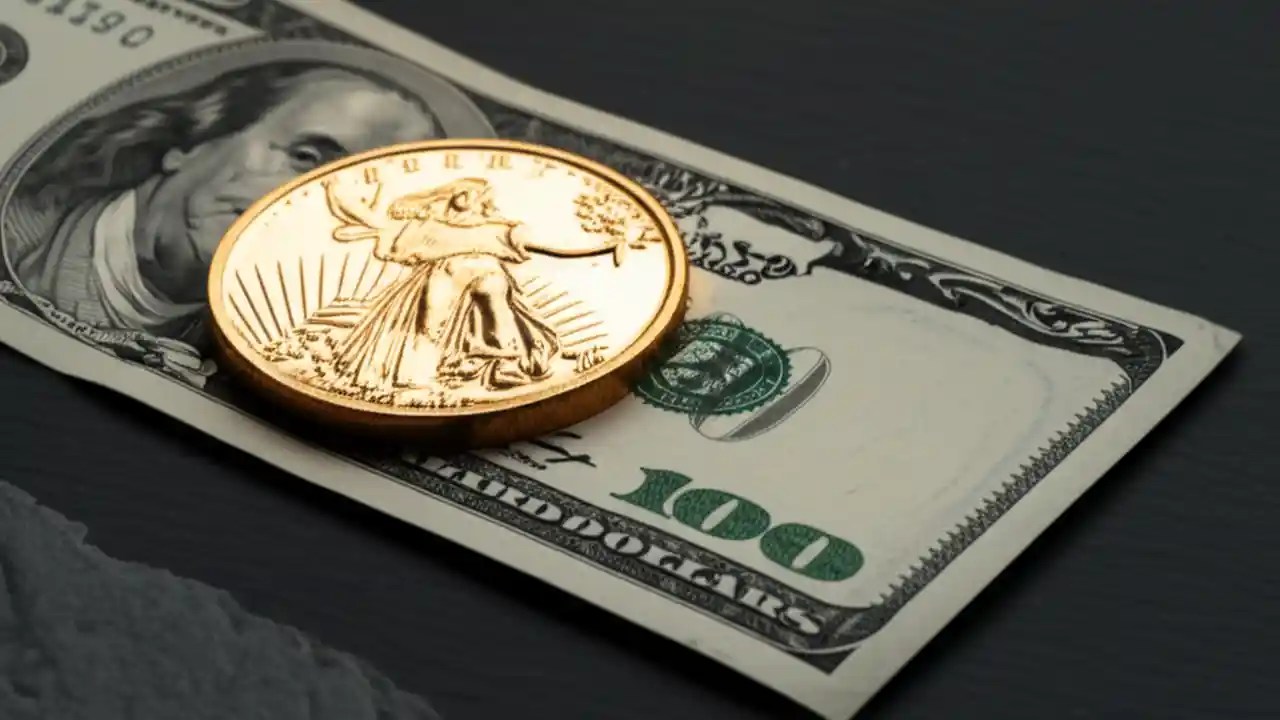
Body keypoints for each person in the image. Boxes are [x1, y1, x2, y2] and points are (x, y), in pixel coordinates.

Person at [6, 62, 465, 352]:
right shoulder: (16, 230)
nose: (312, 204)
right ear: (195, 139)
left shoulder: (282, 345)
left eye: (367, 198)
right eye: (305, 157)